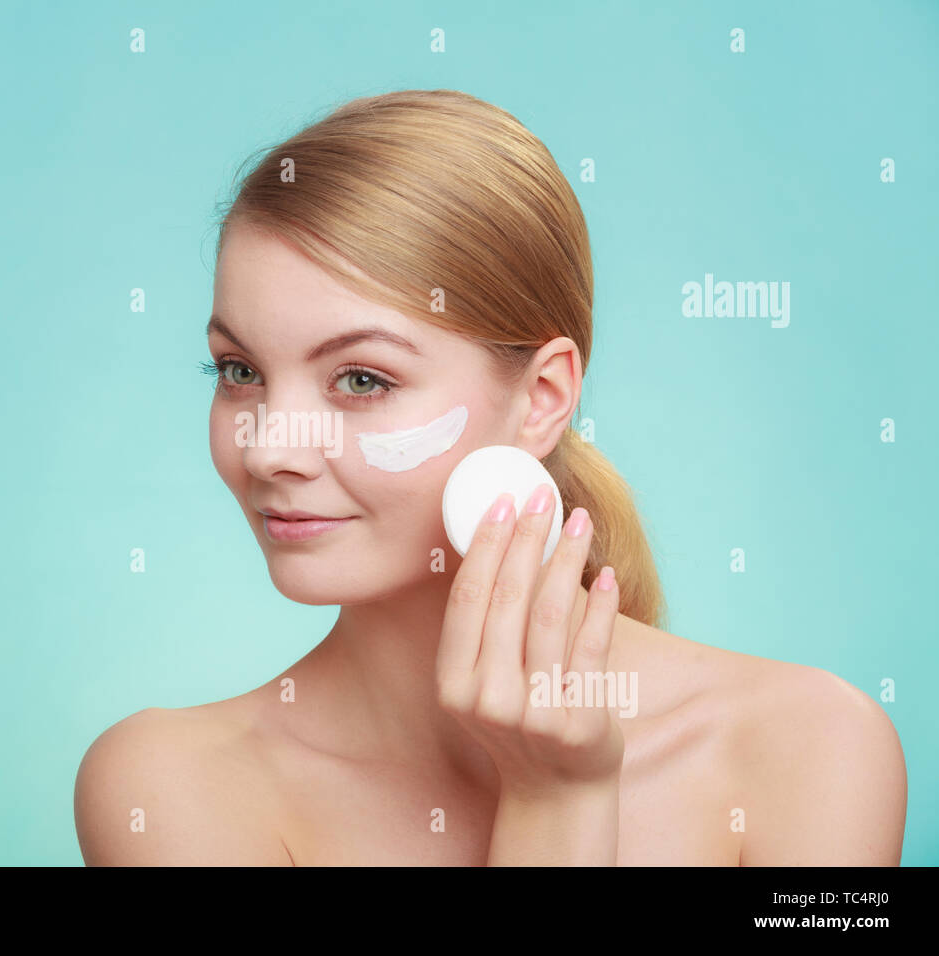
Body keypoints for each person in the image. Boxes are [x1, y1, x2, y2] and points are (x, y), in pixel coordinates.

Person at [74, 89, 907, 865]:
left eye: (362, 380)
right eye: (239, 371)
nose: (268, 450)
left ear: (543, 398)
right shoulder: (165, 788)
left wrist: (561, 790)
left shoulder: (813, 749)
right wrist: (557, 807)